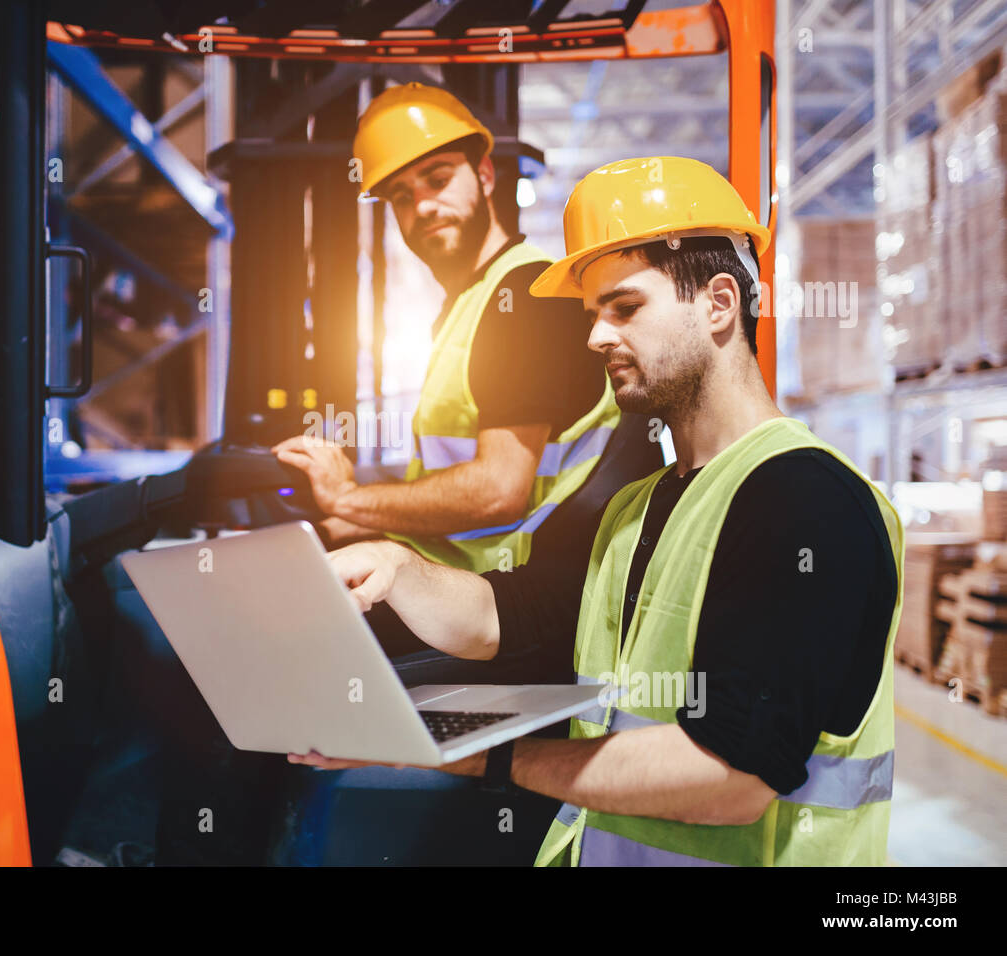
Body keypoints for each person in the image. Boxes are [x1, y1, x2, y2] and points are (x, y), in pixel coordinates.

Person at [297, 156, 905, 867]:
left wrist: (479, 758)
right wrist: (398, 566)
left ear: (717, 304)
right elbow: (511, 616)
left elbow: (733, 778)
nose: (595, 337)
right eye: (594, 314)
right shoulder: (636, 510)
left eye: (624, 308)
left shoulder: (805, 502)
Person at [274, 83, 656, 575]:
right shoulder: (470, 305)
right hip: (454, 569)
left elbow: (498, 492)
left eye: (437, 179)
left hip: (508, 593)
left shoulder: (524, 297)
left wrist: (348, 498)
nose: (424, 206)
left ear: (484, 174)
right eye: (402, 196)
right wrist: (316, 531)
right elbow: (440, 491)